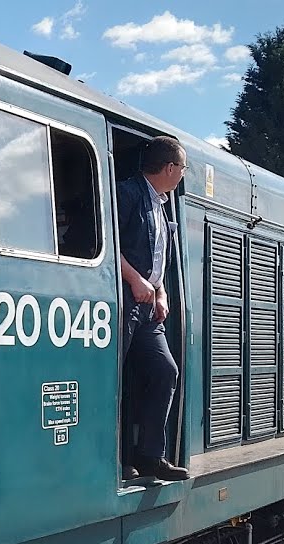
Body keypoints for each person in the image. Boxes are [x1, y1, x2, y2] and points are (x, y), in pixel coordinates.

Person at [117, 137, 189, 484]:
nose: (181, 176)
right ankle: (121, 459)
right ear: (170, 168)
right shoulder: (127, 194)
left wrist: (159, 291)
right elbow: (105, 244)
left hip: (147, 309)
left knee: (165, 371)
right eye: (182, 169)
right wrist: (134, 281)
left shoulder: (160, 206)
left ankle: (150, 456)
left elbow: (157, 262)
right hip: (126, 302)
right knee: (121, 381)